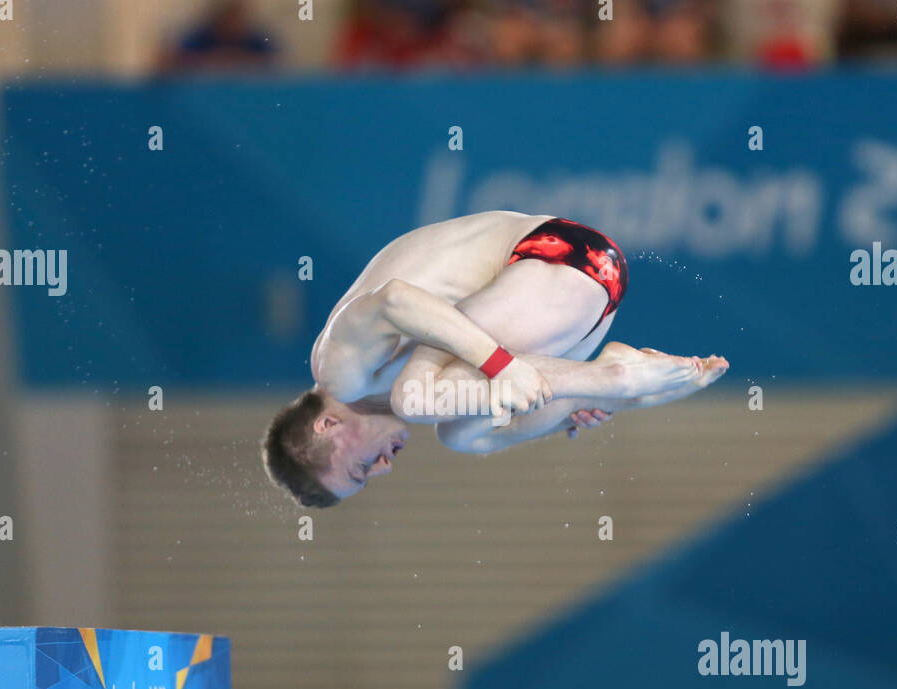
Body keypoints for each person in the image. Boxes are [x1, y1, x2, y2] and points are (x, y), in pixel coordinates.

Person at [263, 211, 728, 507]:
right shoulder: (397, 394)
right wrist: (561, 407)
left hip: (555, 256)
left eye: (361, 468)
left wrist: (501, 366)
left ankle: (618, 379)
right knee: (462, 434)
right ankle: (597, 386)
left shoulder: (337, 372)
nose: (384, 468)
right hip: (582, 295)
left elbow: (396, 300)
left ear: (327, 426)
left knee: (419, 399)